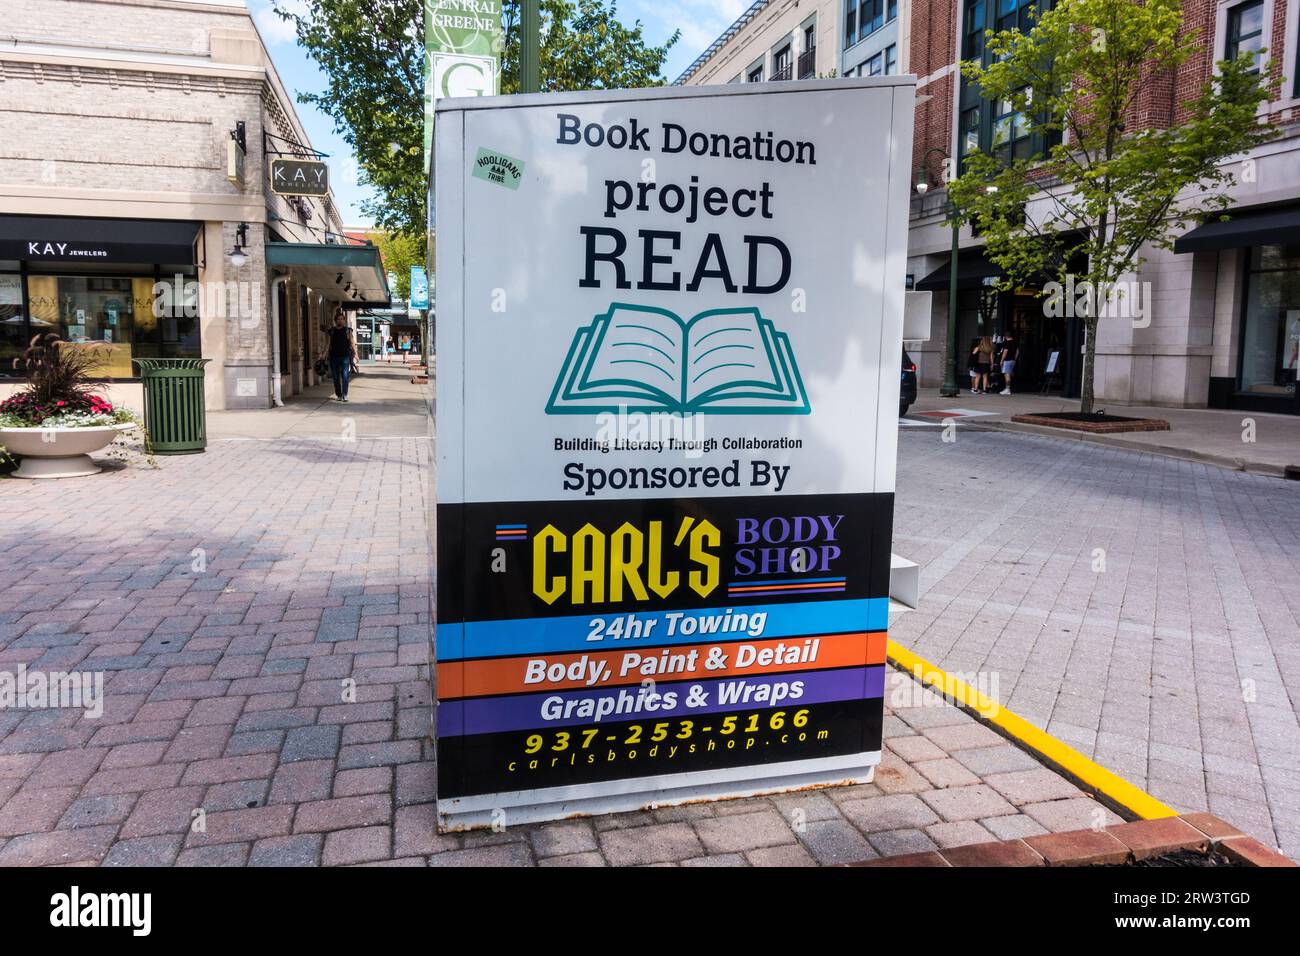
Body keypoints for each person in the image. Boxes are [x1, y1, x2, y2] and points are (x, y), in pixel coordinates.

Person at [325, 310, 358, 402]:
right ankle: (339, 394)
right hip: (334, 357)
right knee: (335, 377)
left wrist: (356, 354)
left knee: (345, 376)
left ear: (344, 320)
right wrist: (324, 354)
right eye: (338, 319)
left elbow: (352, 342)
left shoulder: (348, 330)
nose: (340, 321)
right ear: (336, 320)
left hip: (345, 356)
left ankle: (345, 394)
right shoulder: (332, 331)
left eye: (342, 319)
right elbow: (328, 344)